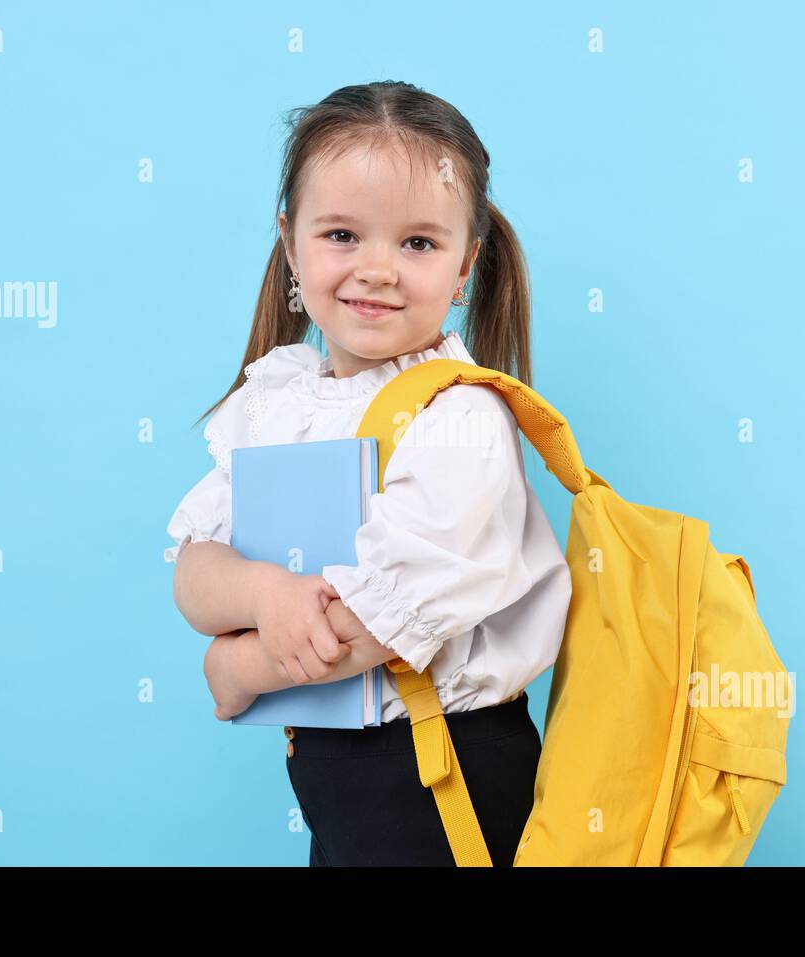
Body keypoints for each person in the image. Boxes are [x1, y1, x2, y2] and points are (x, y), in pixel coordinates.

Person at [164, 80, 572, 866]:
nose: (377, 269)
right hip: (336, 777)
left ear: (465, 265)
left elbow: (379, 623)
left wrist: (236, 664)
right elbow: (196, 561)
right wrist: (262, 594)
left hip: (446, 777)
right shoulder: (274, 401)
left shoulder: (459, 419)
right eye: (343, 234)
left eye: (418, 243)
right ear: (292, 245)